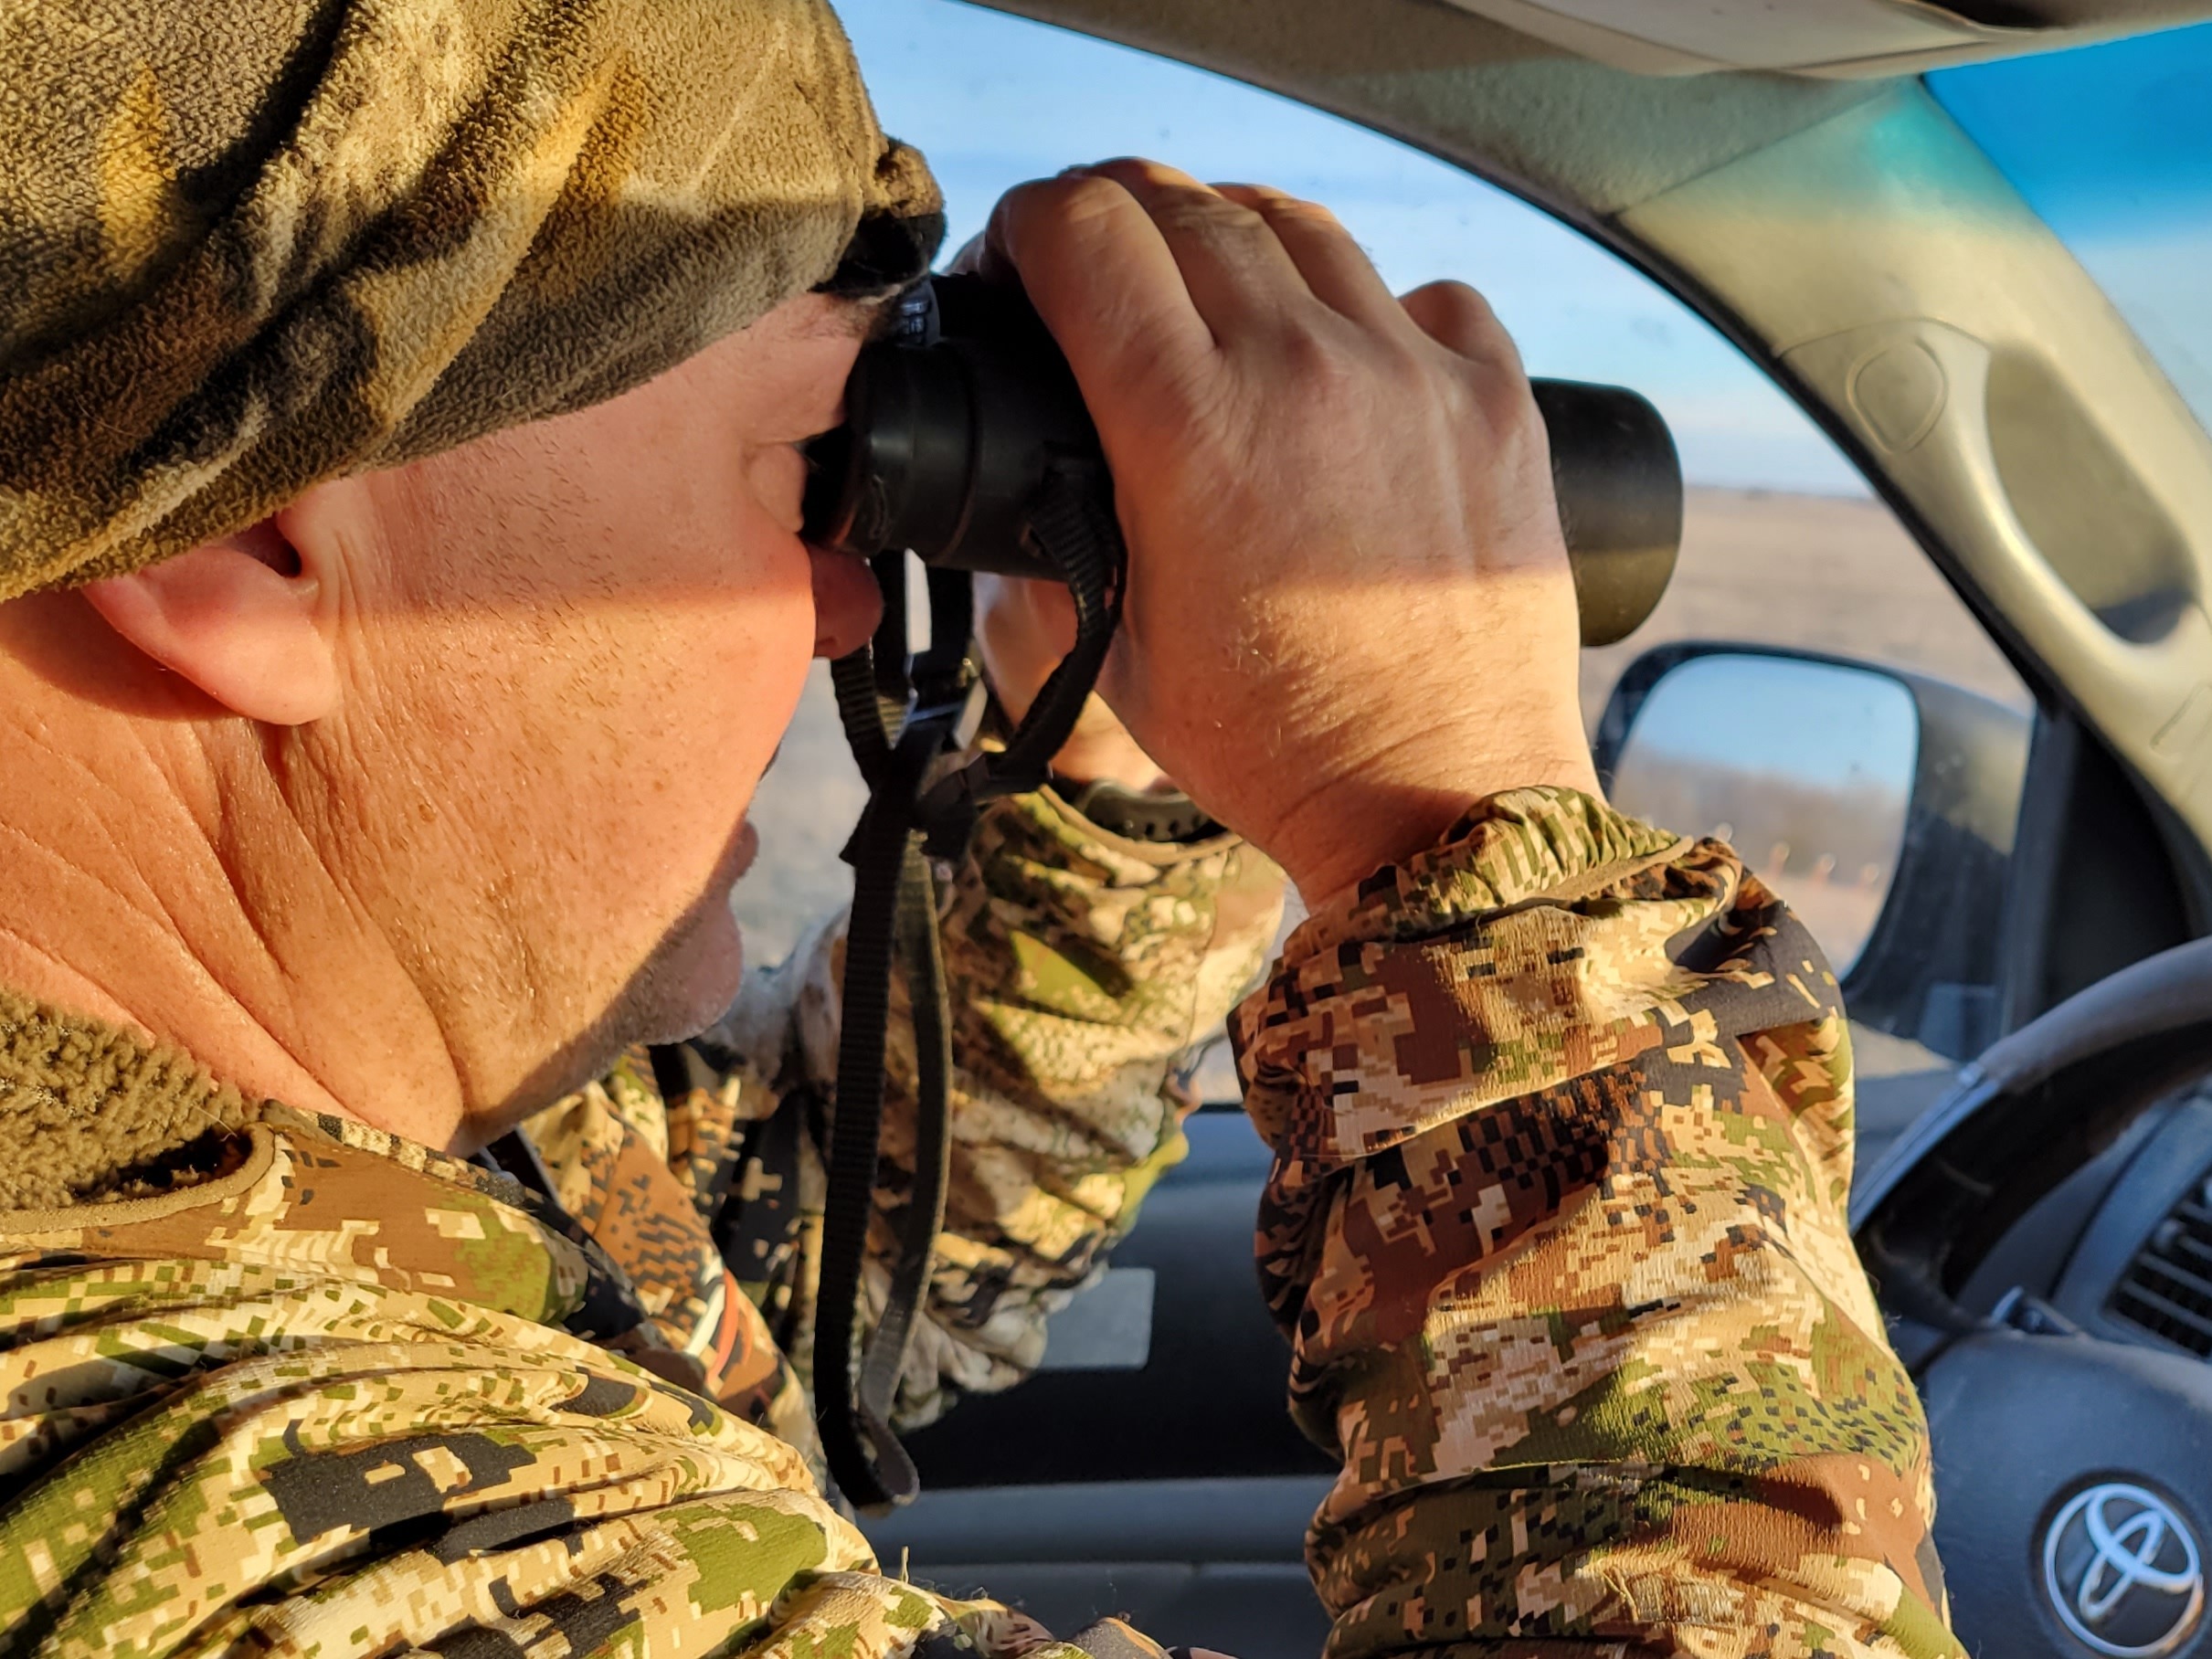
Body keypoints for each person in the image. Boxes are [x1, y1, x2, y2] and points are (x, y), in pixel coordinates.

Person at [0, 3, 1961, 1656]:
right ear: (255, 542)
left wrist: (1115, 752)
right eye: (807, 464)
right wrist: (1430, 811)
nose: (857, 593)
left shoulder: (234, 1131)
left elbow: (792, 1276)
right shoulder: (240, 1540)